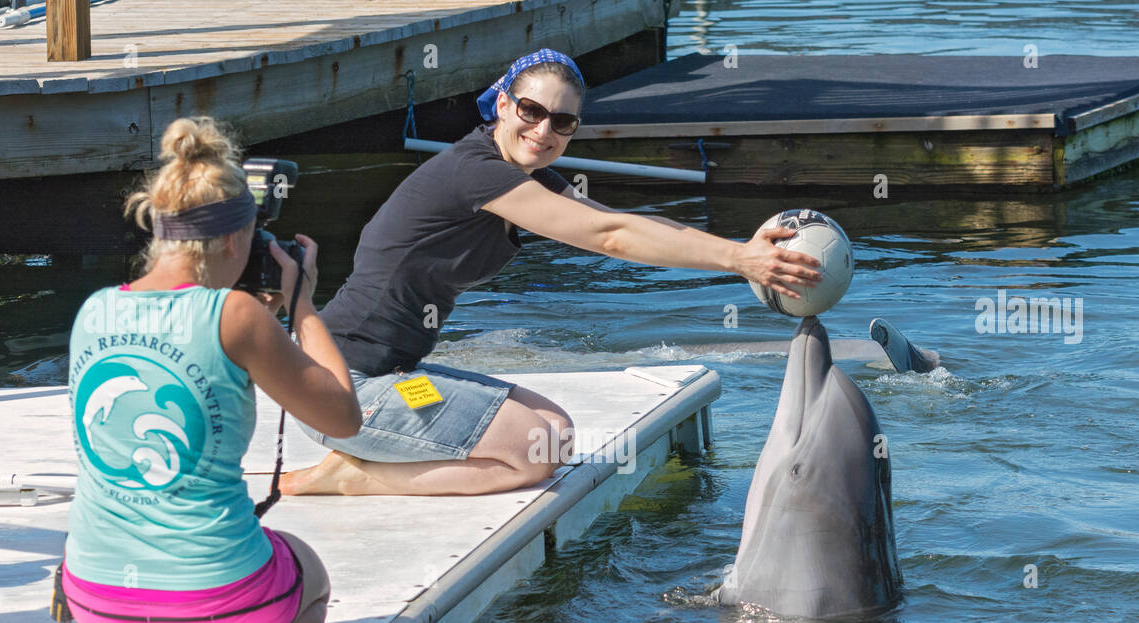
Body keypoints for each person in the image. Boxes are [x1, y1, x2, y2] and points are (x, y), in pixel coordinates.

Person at [280, 48, 820, 498]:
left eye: (563, 122)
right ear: (502, 103)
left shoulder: (521, 174)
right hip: (343, 391)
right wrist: (738, 261)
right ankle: (353, 477)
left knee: (554, 433)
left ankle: (359, 460)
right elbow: (608, 239)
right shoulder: (476, 172)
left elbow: (619, 224)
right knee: (530, 457)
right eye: (531, 111)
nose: (543, 130)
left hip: (396, 379)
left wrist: (738, 246)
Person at [59, 116, 362, 623]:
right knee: (312, 580)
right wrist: (302, 304)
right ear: (231, 240)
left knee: (125, 588)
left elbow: (195, 352)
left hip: (94, 596)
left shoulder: (93, 310)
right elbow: (343, 417)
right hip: (207, 600)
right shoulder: (237, 316)